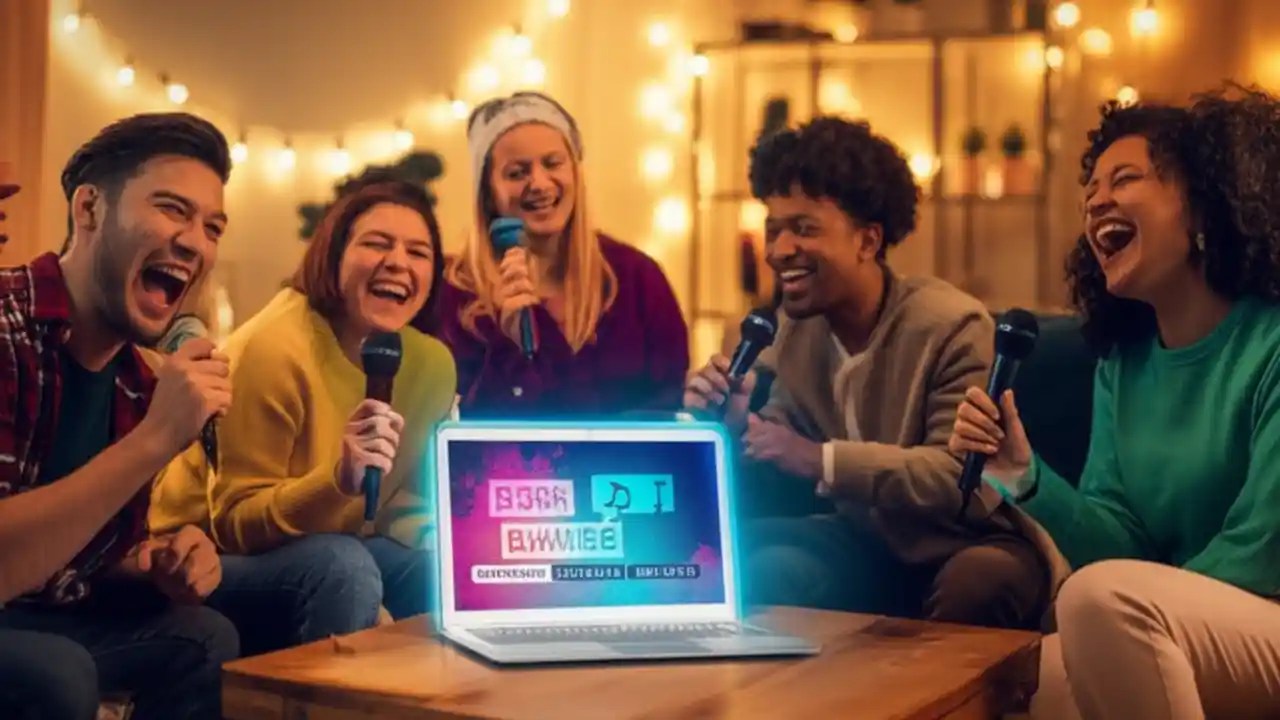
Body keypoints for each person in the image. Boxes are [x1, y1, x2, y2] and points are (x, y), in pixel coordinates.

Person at [949, 87, 1280, 719]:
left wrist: (1145, 595)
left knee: (1097, 604)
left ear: (1205, 208)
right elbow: (1116, 540)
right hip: (1180, 616)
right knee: (1039, 675)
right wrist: (1024, 476)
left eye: (1125, 179)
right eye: (1090, 191)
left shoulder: (1270, 342)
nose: (1097, 200)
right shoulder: (1122, 364)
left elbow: (1265, 550)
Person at [685, 116, 1047, 629]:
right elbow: (777, 444)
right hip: (869, 541)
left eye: (804, 229)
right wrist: (738, 421)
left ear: (867, 241)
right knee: (744, 555)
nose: (778, 250)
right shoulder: (791, 333)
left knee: (983, 579)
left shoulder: (951, 324)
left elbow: (960, 477)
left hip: (966, 540)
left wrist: (821, 460)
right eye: (773, 230)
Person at [0, 113, 238, 719]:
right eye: (172, 209)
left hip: (41, 611)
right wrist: (156, 440)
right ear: (88, 209)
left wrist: (156, 562)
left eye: (212, 227)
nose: (194, 242)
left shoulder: (137, 380)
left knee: (204, 637)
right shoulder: (6, 325)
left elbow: (78, 561)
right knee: (58, 674)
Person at [151, 180, 456, 651]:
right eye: (376, 243)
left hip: (333, 542)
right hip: (206, 555)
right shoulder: (273, 348)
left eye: (419, 252)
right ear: (331, 257)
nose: (398, 262)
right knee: (343, 566)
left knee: (439, 569)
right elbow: (235, 522)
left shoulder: (432, 365)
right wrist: (338, 479)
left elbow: (402, 510)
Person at [420, 91, 689, 418]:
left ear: (575, 172)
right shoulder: (450, 293)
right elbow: (451, 426)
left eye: (552, 163)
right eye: (517, 172)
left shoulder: (637, 278)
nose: (539, 183)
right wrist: (509, 348)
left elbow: (667, 409)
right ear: (488, 192)